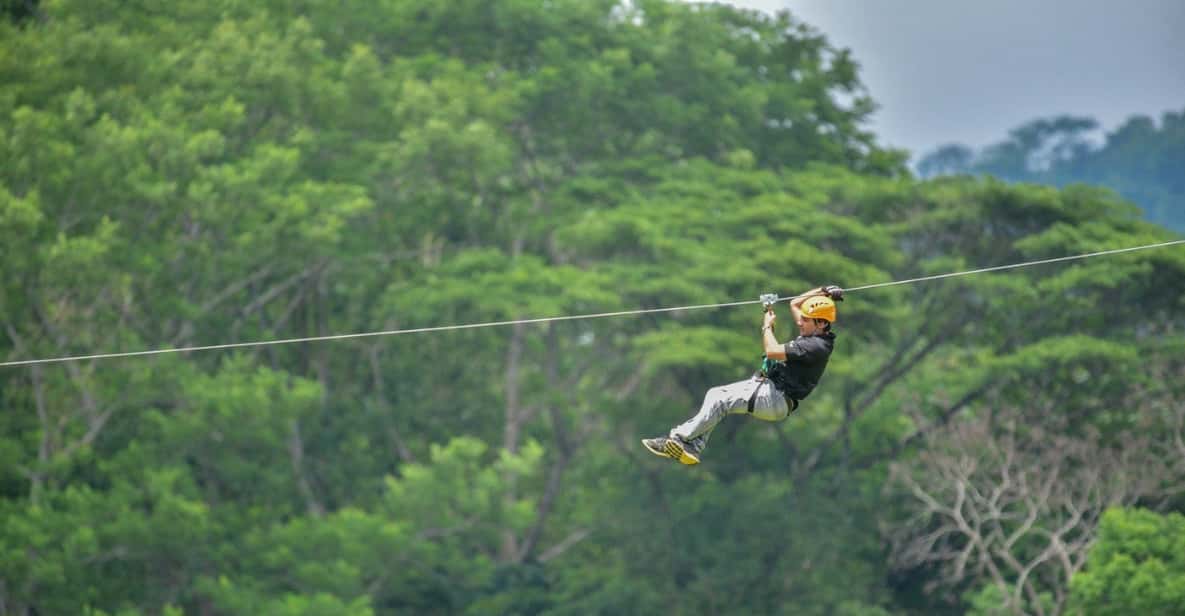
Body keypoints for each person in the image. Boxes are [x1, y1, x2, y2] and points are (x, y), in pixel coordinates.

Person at [642, 286, 841, 465]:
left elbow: (772, 350)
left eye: (805, 320)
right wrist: (822, 291)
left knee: (719, 399)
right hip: (773, 395)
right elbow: (794, 302)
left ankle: (678, 438)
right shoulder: (814, 333)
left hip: (775, 397)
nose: (800, 322)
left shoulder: (814, 346)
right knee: (716, 396)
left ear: (821, 323)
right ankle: (694, 446)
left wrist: (767, 325)